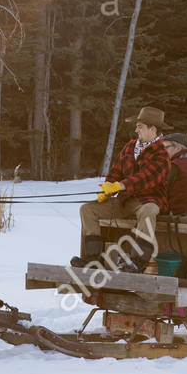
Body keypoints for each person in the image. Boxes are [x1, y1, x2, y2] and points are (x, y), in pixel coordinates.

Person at [71, 106, 172, 272]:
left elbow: (145, 178)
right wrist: (107, 188)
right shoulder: (130, 147)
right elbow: (115, 171)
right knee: (87, 209)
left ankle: (138, 263)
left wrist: (120, 186)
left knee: (148, 211)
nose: (136, 129)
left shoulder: (161, 154)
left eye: (140, 126)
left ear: (152, 129)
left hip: (149, 201)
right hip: (124, 201)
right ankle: (92, 260)